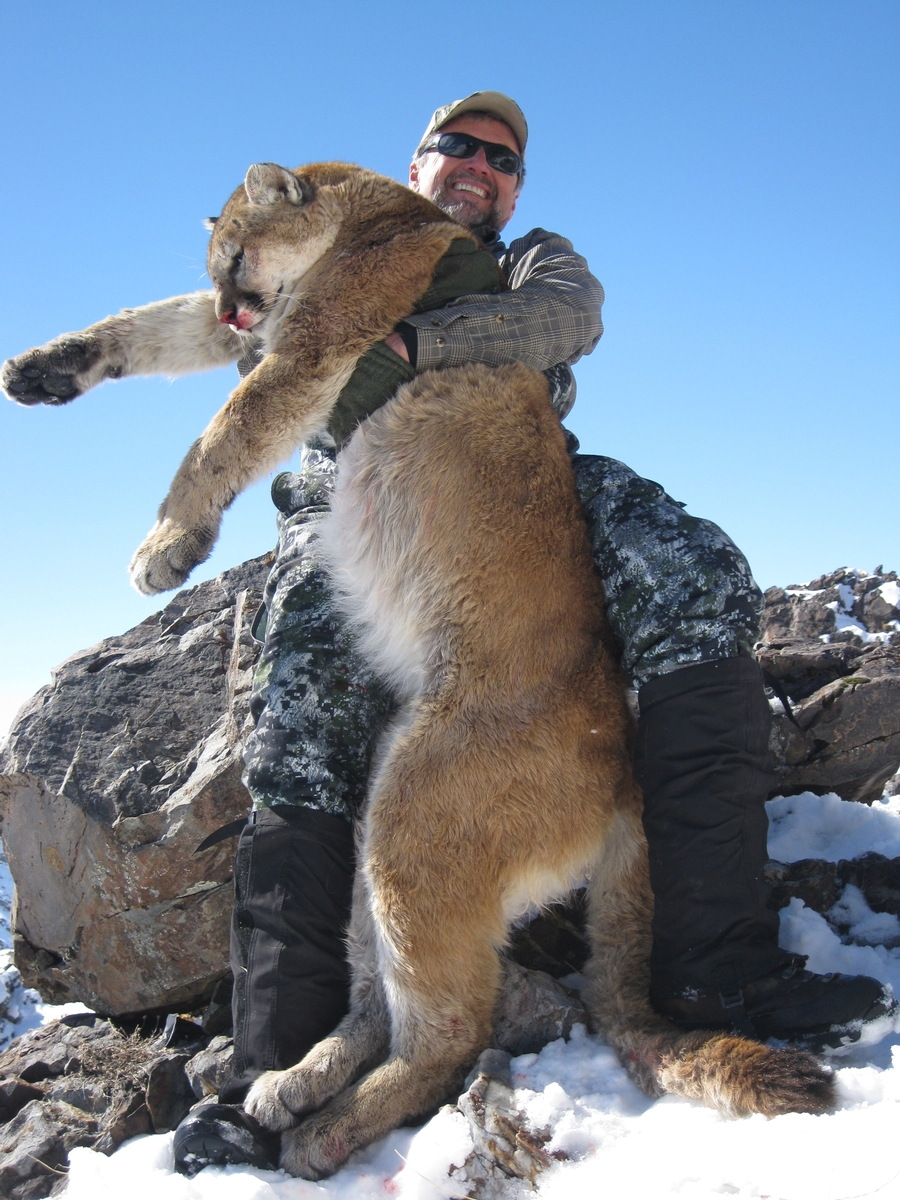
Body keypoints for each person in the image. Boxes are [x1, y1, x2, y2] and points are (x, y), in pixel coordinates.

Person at [173, 92, 890, 1175]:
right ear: (411, 164)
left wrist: (416, 341)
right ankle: (269, 1064)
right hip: (356, 506)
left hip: (508, 485)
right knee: (303, 701)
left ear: (515, 186)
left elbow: (567, 321)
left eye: (500, 158)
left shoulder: (528, 257)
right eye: (454, 147)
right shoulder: (319, 251)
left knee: (693, 569)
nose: (476, 165)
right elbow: (224, 335)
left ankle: (716, 971)